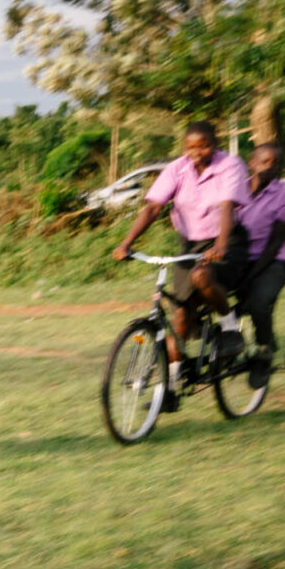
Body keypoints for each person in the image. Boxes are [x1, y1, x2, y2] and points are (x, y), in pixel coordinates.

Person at [111, 121, 250, 384]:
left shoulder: (230, 165)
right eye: (191, 147)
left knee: (201, 277)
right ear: (184, 147)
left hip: (228, 239)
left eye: (205, 145)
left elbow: (226, 206)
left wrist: (220, 245)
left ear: (216, 143)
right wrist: (125, 243)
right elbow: (153, 208)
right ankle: (172, 383)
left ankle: (230, 328)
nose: (198, 152)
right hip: (190, 243)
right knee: (181, 314)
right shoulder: (177, 169)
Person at [232, 141, 285, 363]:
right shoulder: (235, 191)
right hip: (238, 257)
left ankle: (265, 347)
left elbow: (275, 243)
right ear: (252, 163)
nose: (270, 167)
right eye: (264, 162)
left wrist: (250, 276)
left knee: (258, 302)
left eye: (276, 163)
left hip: (272, 262)